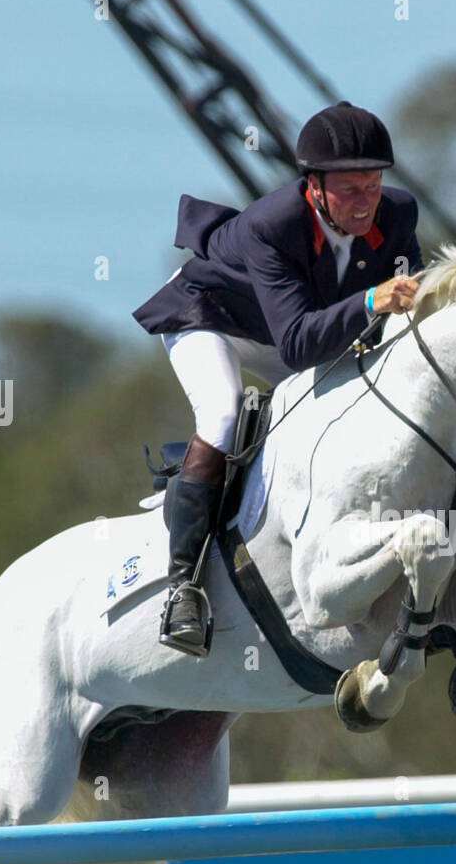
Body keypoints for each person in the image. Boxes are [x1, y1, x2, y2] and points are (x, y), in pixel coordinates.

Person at [133, 101, 424, 656]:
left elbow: (402, 312)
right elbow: (296, 344)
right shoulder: (273, 226)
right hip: (212, 316)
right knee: (221, 412)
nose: (366, 204)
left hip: (294, 324)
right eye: (349, 190)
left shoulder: (400, 214)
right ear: (313, 186)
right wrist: (369, 299)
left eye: (373, 185)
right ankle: (183, 587)